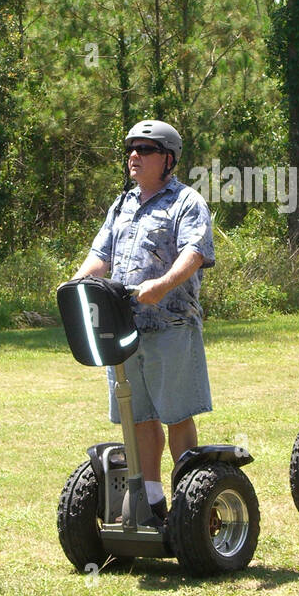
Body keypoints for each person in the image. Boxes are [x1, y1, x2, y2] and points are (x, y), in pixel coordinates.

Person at [71, 119, 215, 521]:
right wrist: (80, 279)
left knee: (176, 414)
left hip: (171, 325)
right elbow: (101, 254)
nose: (134, 156)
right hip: (123, 327)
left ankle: (192, 504)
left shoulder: (187, 202)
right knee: (138, 416)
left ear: (168, 159)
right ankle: (150, 500)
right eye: (132, 149)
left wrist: (163, 284)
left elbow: (195, 252)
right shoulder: (123, 204)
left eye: (145, 149)